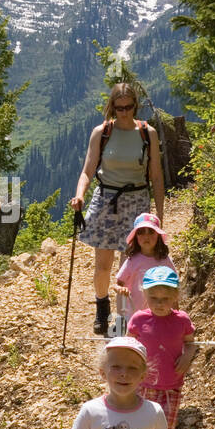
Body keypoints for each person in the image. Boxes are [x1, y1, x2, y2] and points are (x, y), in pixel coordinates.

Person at [70, 83, 164, 337]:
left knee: (129, 267)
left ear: (136, 105)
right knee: (103, 264)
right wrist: (79, 195)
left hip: (136, 201)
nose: (123, 112)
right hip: (106, 200)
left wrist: (159, 217)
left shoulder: (148, 133)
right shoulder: (102, 132)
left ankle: (123, 321)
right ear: (112, 106)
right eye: (119, 107)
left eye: (128, 107)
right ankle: (102, 308)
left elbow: (156, 175)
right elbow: (88, 170)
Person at [126, 266, 196, 429]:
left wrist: (187, 356)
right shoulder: (139, 320)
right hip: (142, 387)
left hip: (171, 388)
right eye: (154, 298)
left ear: (175, 296)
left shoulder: (182, 320)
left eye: (165, 298)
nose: (159, 303)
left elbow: (190, 342)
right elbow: (129, 346)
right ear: (145, 295)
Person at [114, 212, 176, 324]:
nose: (146, 237)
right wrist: (121, 289)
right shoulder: (132, 260)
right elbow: (118, 283)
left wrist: (176, 314)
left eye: (151, 232)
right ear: (136, 237)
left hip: (161, 311)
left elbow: (174, 286)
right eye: (141, 233)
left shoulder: (165, 260)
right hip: (135, 313)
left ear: (158, 236)